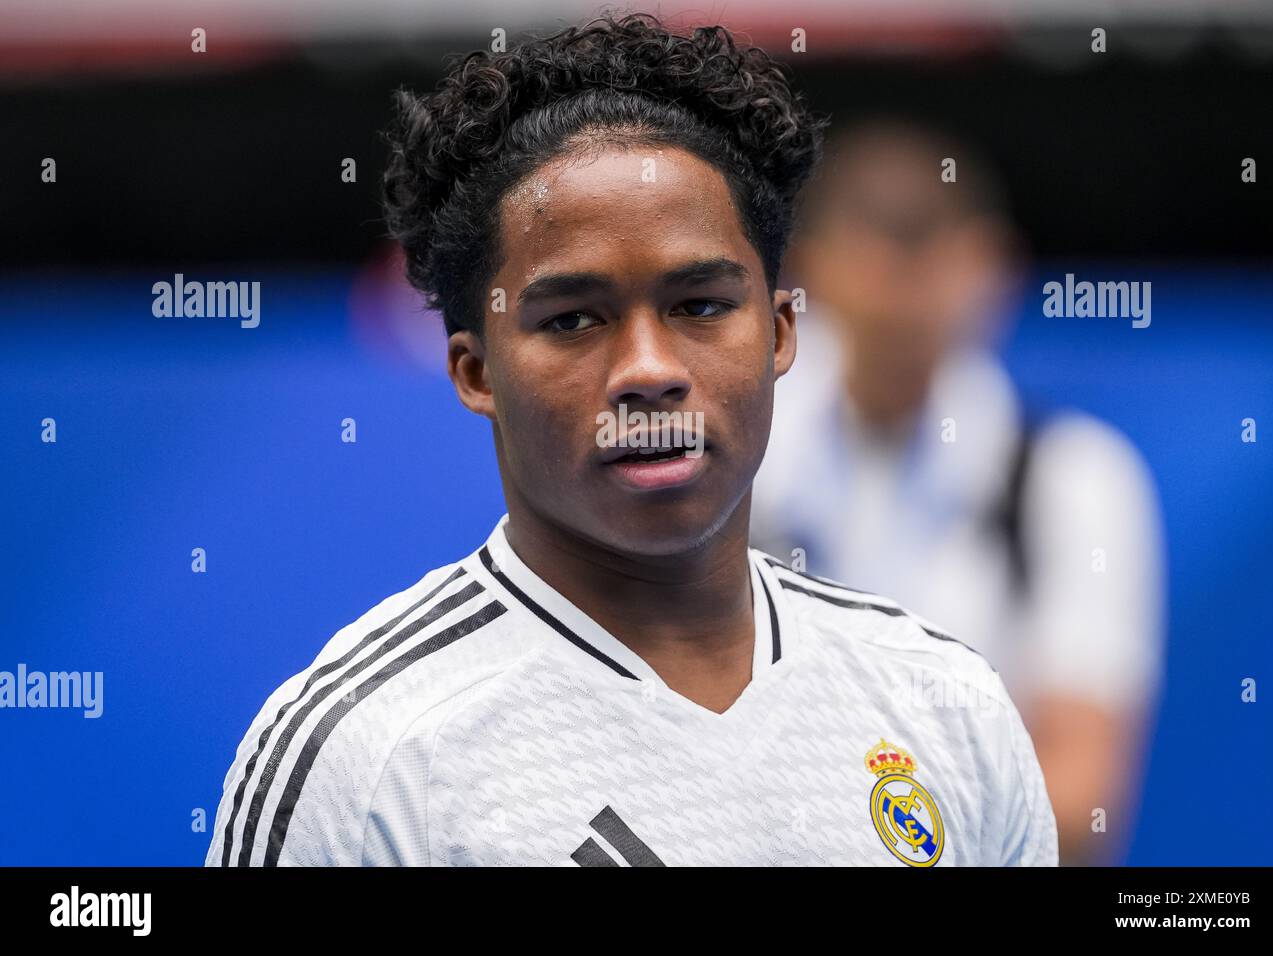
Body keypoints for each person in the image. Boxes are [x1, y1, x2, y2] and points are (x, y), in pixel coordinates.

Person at [206, 14, 1057, 867]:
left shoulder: (949, 706)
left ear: (782, 333)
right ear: (475, 373)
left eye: (699, 306)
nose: (648, 369)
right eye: (573, 319)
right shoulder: (365, 757)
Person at [752, 119, 1163, 865]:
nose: (901, 293)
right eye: (876, 253)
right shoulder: (732, 467)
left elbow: (1080, 804)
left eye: (926, 251)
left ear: (989, 265)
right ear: (809, 277)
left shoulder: (1075, 479)